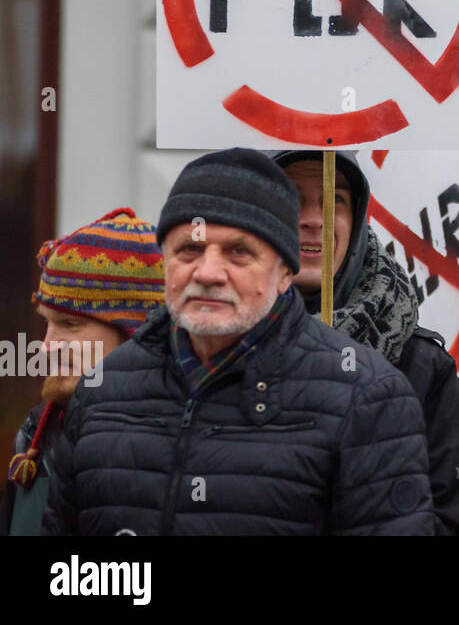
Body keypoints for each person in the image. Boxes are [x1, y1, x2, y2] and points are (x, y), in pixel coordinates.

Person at [42, 148, 435, 535]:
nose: (208, 273)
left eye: (239, 252)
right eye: (190, 249)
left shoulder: (368, 400)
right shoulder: (103, 388)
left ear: (284, 273)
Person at [272, 149, 459, 535]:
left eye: (335, 200)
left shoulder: (421, 365)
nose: (314, 220)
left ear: (358, 219)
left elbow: (447, 522)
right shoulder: (223, 351)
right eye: (292, 198)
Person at [3, 209, 162, 536]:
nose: (46, 346)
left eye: (70, 324)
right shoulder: (36, 439)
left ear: (138, 333)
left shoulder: (188, 453)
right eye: (47, 321)